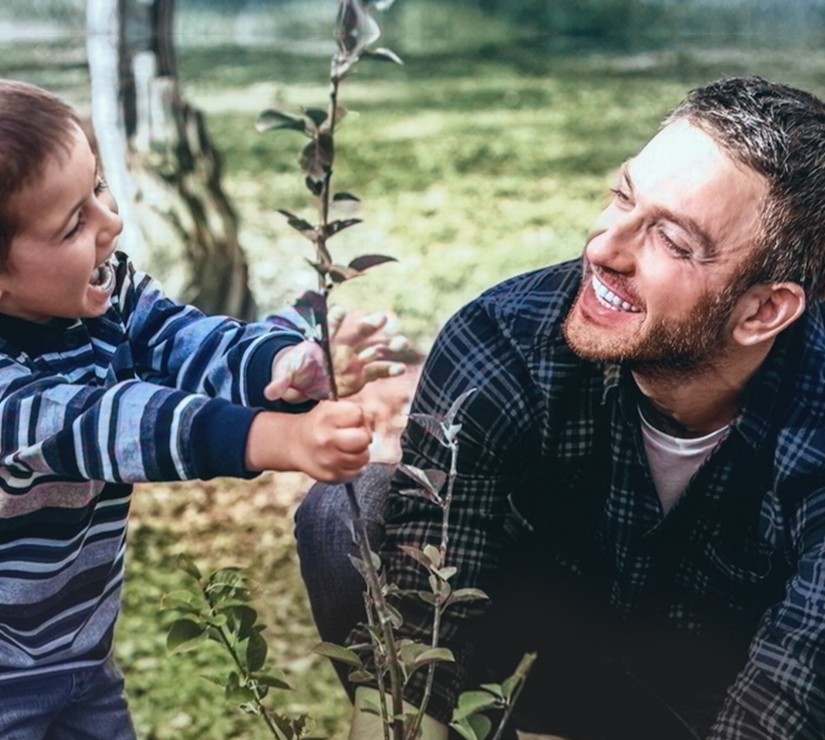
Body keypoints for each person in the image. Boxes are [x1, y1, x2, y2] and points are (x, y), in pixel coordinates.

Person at [296, 75, 825, 739]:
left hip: (720, 687)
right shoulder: (503, 341)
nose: (604, 248)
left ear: (762, 310)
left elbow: (790, 690)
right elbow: (419, 629)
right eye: (621, 198)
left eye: (671, 240)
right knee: (348, 510)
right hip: (551, 655)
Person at [0, 74, 404, 740]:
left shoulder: (107, 294)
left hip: (80, 652)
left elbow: (193, 343)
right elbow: (110, 423)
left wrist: (289, 365)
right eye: (72, 225)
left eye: (96, 189)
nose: (110, 223)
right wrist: (278, 440)